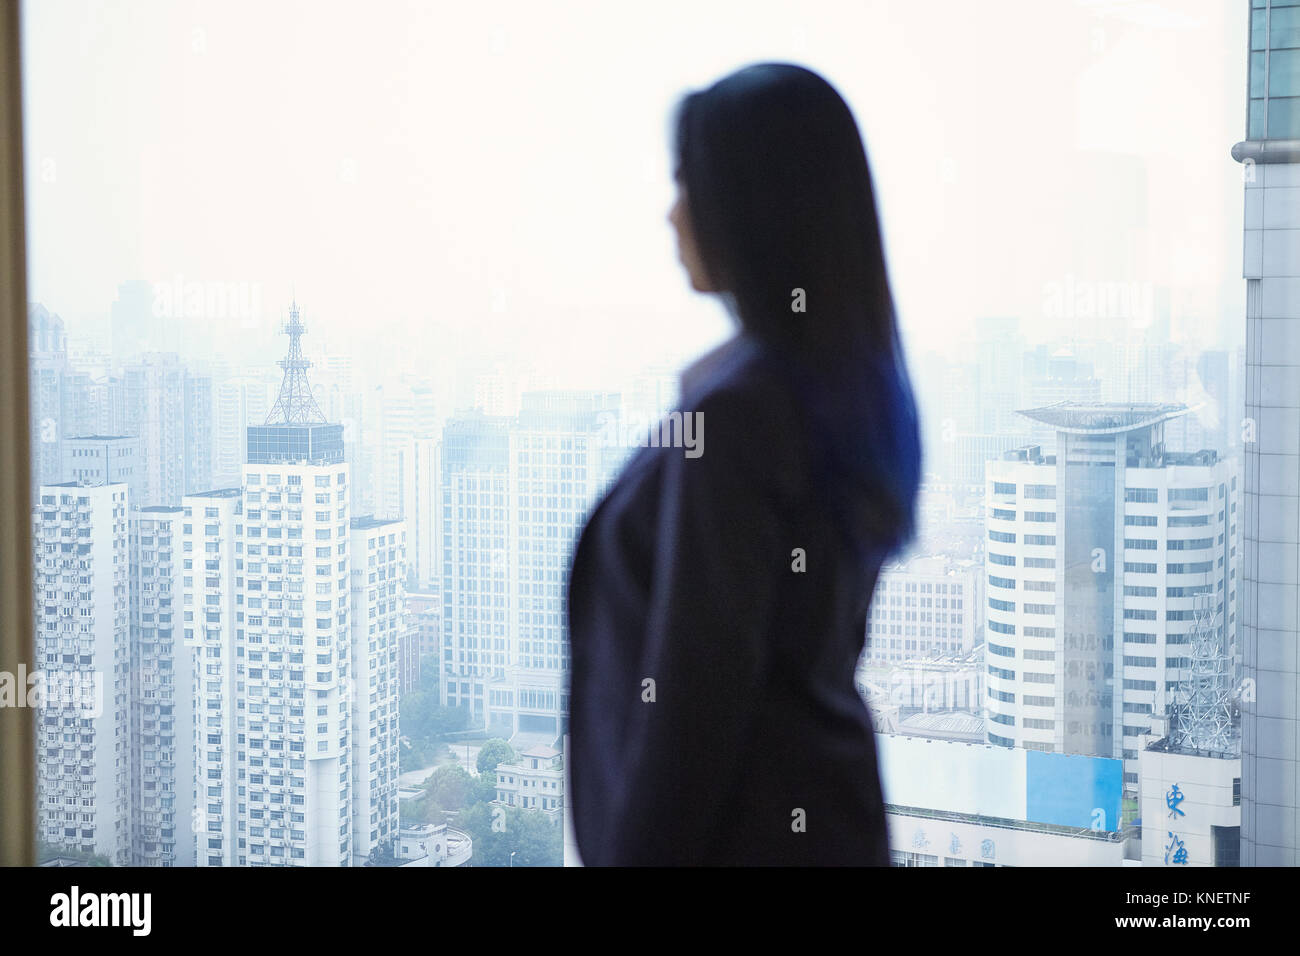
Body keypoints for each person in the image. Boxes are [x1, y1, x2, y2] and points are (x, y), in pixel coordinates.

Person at [566, 62, 922, 866]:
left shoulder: (737, 420)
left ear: (754, 209)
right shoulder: (836, 392)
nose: (671, 214)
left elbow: (692, 712)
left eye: (688, 183)